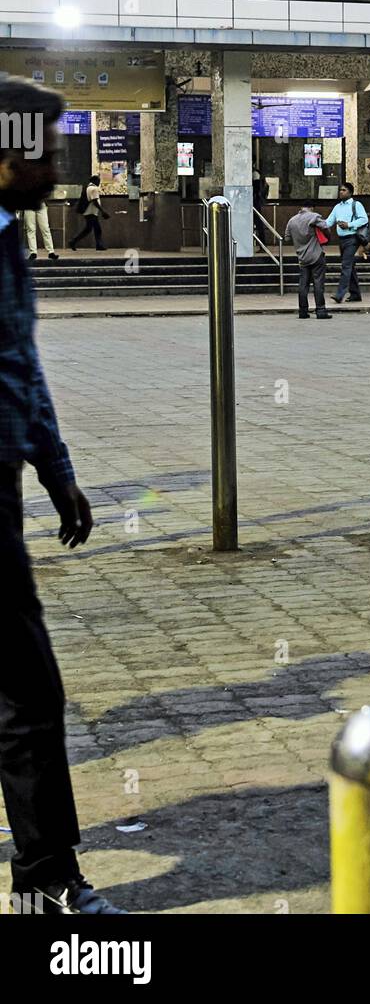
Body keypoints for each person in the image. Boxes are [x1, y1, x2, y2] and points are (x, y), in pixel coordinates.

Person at [0, 79, 124, 914]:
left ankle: (44, 877)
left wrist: (56, 470)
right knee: (29, 694)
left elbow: (20, 364)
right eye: (42, 147)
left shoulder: (7, 235)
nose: (59, 164)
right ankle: (46, 882)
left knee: (24, 691)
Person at [284, 204, 332, 321]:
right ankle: (320, 310)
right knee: (318, 283)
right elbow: (326, 227)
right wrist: (326, 237)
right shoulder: (314, 217)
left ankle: (303, 311)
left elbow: (287, 238)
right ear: (311, 207)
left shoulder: (292, 221)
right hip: (316, 255)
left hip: (302, 257)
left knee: (303, 285)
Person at [325, 182, 368, 304]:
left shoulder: (356, 204)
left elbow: (364, 219)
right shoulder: (337, 207)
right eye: (340, 190)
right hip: (342, 240)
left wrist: (349, 225)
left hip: (353, 238)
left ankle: (340, 294)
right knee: (350, 267)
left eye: (343, 190)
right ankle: (355, 294)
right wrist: (316, 223)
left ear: (350, 192)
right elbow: (328, 222)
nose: (341, 192)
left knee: (346, 265)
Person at [69, 176, 108, 252]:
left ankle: (74, 241)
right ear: (94, 181)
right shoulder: (94, 189)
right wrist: (103, 211)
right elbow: (95, 201)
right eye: (98, 181)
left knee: (90, 229)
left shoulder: (88, 187)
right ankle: (74, 241)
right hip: (91, 212)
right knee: (95, 229)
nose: (99, 182)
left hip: (89, 211)